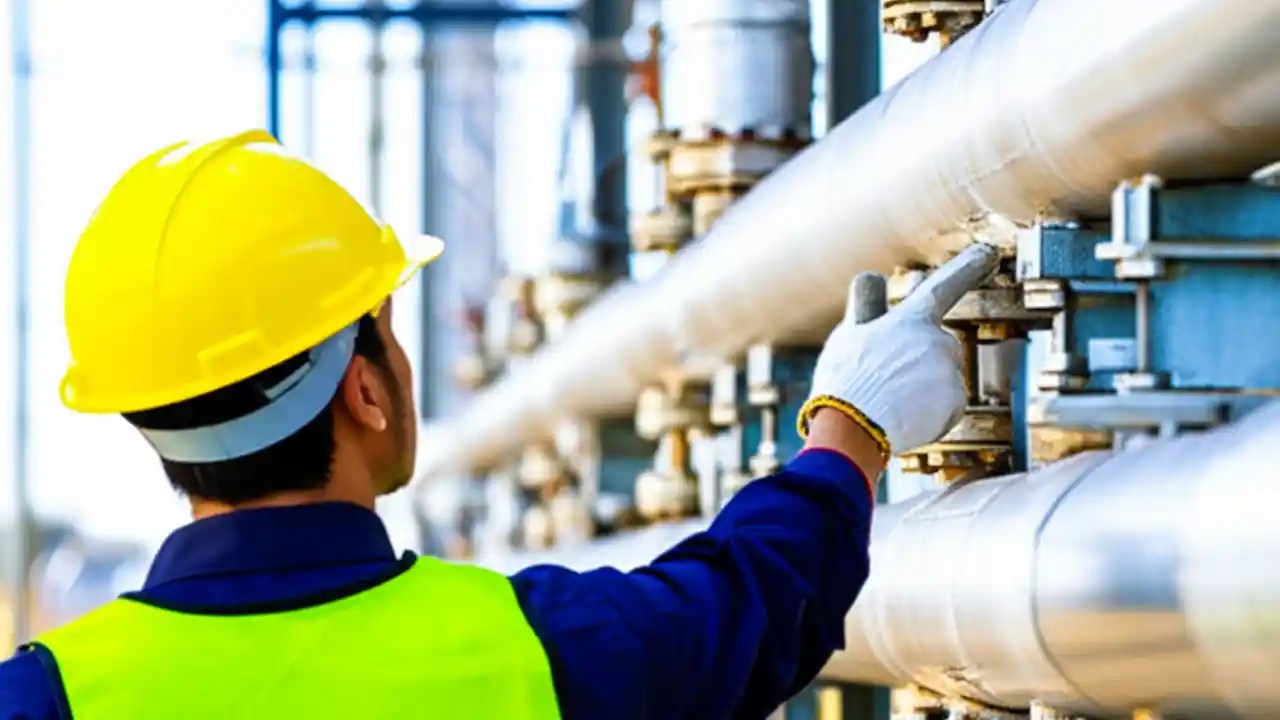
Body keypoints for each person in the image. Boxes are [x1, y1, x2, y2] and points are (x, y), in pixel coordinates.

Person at [0, 131, 997, 719]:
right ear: (365, 390)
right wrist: (852, 424)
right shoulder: (533, 650)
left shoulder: (49, 697)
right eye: (386, 334)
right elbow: (750, 601)